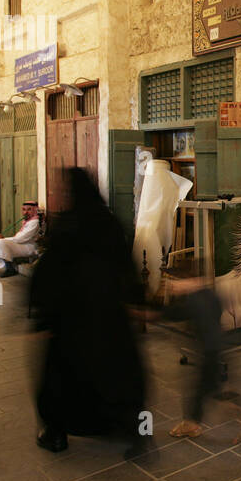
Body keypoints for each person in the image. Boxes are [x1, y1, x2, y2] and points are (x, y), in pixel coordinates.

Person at [29, 168, 149, 456]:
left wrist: (42, 317)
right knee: (119, 376)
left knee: (62, 378)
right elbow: (126, 264)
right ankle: (136, 435)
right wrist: (136, 301)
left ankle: (56, 434)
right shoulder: (108, 223)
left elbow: (48, 272)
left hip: (72, 322)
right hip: (109, 317)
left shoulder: (66, 225)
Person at [161, 259, 241, 440]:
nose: (175, 285)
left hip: (210, 352)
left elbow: (176, 314)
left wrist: (151, 313)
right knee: (210, 390)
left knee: (209, 391)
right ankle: (197, 423)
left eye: (178, 281)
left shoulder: (195, 300)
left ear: (189, 278)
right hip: (218, 348)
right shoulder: (208, 295)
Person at [0, 200, 40, 275]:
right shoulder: (28, 221)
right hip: (22, 244)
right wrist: (1, 238)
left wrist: (3, 238)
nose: (25, 212)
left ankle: (10, 268)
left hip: (30, 247)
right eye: (24, 209)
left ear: (35, 210)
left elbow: (20, 239)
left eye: (29, 209)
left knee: (0, 242)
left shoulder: (35, 222)